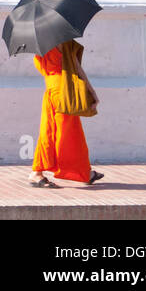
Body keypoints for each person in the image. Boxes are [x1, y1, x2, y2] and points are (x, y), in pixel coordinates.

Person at [29, 41, 104, 187]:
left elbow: (42, 68)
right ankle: (83, 173)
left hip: (50, 91)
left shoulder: (38, 45)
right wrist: (92, 92)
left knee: (48, 132)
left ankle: (37, 172)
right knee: (70, 134)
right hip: (64, 93)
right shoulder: (65, 42)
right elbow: (77, 69)